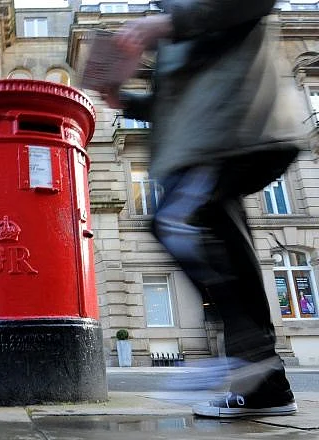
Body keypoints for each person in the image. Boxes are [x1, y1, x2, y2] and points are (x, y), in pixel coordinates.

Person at [98, 0, 303, 418]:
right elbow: (175, 100)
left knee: (173, 221)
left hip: (232, 131)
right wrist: (124, 101)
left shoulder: (180, 12)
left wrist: (170, 23)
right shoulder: (170, 18)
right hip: (208, 141)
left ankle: (248, 355)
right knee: (236, 260)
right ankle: (267, 387)